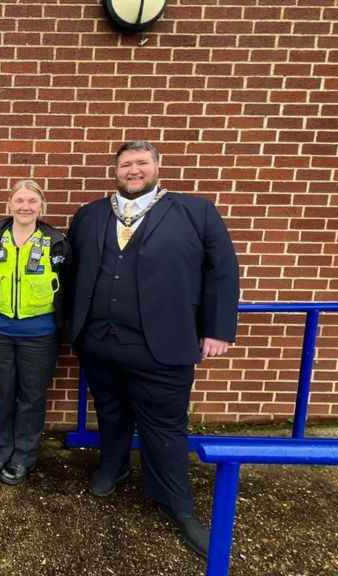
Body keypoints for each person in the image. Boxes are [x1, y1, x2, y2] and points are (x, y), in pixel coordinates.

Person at [66, 140, 239, 560]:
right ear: (115, 170)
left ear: (158, 167)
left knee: (165, 425)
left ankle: (176, 502)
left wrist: (217, 330)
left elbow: (223, 271)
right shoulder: (89, 215)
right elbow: (72, 273)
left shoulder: (196, 212)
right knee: (109, 410)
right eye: (126, 164)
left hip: (163, 344)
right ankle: (114, 465)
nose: (133, 170)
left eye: (142, 163)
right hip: (100, 341)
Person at [0, 180, 71, 485]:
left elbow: (68, 284)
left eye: (31, 201)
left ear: (41, 205)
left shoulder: (55, 241)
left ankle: (23, 456)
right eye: (19, 200)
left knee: (31, 396)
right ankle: (1, 451)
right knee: (3, 393)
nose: (25, 206)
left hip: (40, 334)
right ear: (9, 204)